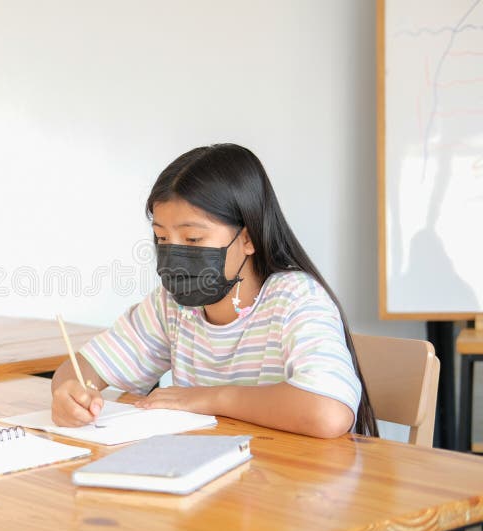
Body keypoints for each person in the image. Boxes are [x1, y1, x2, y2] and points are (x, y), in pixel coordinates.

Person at [51, 143, 377, 439]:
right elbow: (84, 368)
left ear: (248, 238)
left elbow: (328, 413)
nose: (175, 253)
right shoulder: (172, 308)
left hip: (291, 488)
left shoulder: (295, 299)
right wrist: (71, 392)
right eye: (162, 238)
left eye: (193, 239)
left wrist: (212, 397)